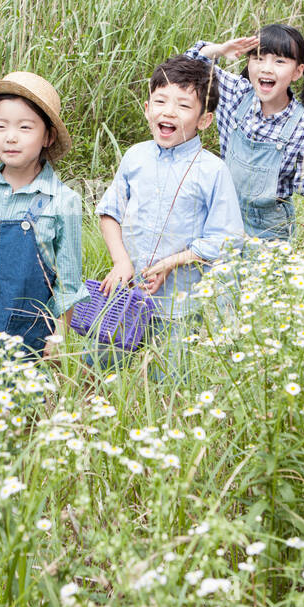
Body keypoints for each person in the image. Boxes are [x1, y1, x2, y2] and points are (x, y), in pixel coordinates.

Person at [0, 72, 87, 531]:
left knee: (21, 413)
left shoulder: (61, 200)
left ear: (46, 136)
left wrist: (61, 334)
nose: (11, 136)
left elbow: (69, 278)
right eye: (1, 124)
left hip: (28, 323)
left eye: (25, 126)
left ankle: (21, 492)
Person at [93, 55, 244, 377]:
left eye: (184, 106)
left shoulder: (212, 170)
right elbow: (109, 213)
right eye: (161, 101)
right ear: (147, 107)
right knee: (100, 369)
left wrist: (170, 263)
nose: (169, 112)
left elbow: (226, 239)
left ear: (204, 120)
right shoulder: (136, 157)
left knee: (171, 381)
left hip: (179, 305)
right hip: (126, 294)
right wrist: (121, 261)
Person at [186, 25, 304, 241]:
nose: (266, 68)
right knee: (220, 272)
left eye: (279, 61)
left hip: (269, 229)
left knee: (263, 275)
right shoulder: (235, 93)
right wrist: (219, 50)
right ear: (248, 62)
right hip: (224, 211)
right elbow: (190, 67)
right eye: (259, 58)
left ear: (297, 72)